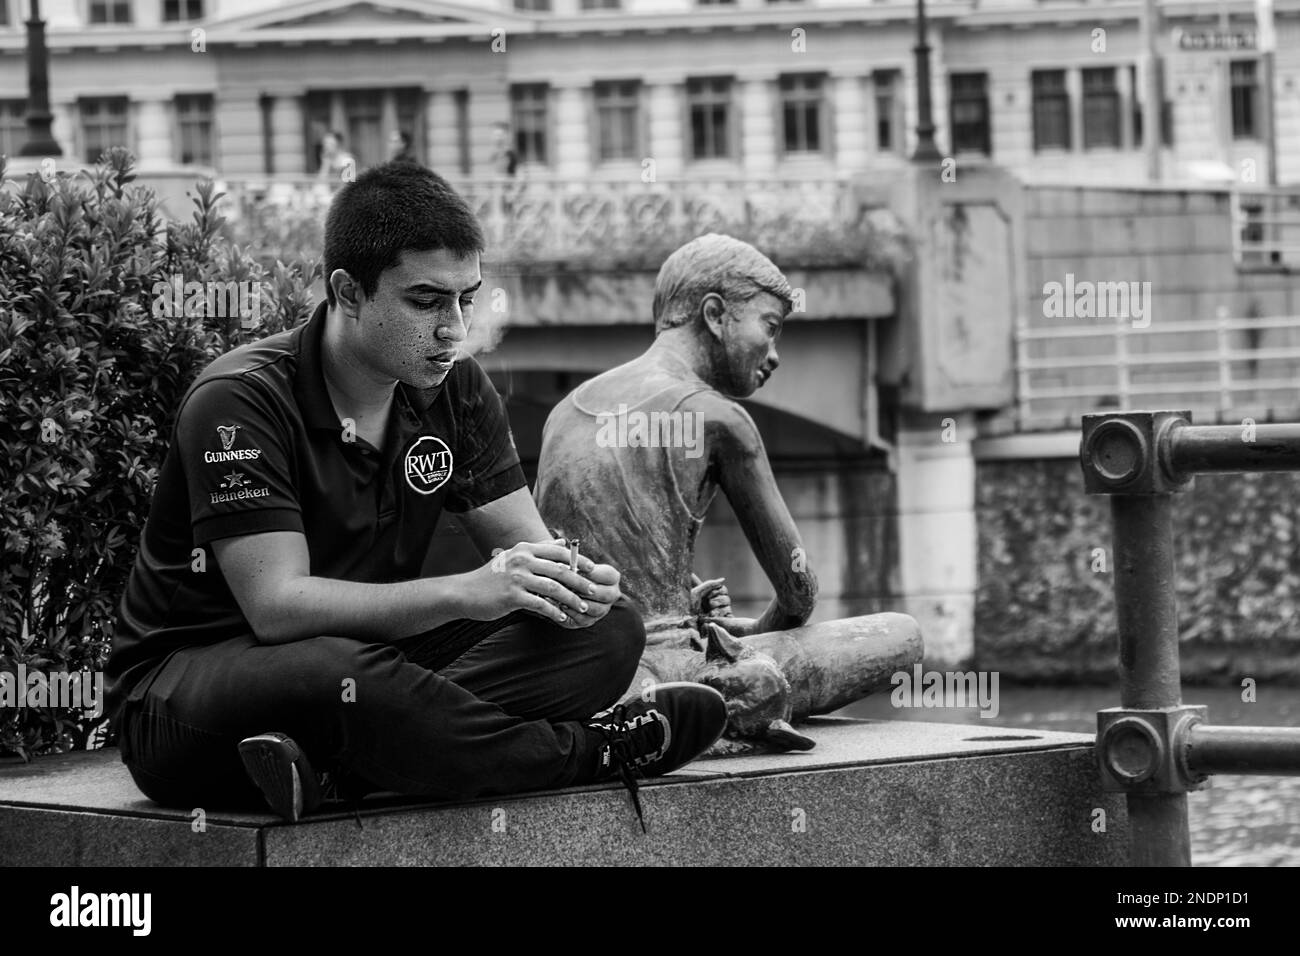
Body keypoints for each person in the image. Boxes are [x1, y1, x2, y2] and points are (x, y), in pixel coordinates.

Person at [105, 163, 726, 826]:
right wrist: (467, 591)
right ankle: (591, 754)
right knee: (337, 675)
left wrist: (575, 583)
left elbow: (531, 552)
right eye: (426, 301)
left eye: (467, 299)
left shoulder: (453, 390)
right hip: (188, 696)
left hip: (369, 668)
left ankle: (340, 769)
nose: (454, 328)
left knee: (604, 633)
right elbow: (277, 609)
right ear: (349, 292)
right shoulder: (239, 401)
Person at [535, 234, 922, 754]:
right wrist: (746, 634)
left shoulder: (565, 410)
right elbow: (798, 593)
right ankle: (717, 706)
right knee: (901, 636)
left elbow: (571, 559)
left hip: (567, 673)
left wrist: (685, 609)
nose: (776, 355)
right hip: (672, 670)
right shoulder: (719, 419)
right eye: (771, 326)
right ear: (715, 315)